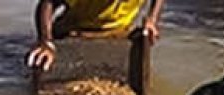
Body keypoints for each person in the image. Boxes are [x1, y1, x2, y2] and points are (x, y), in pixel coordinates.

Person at [27, 0, 165, 74]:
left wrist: (152, 20)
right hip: (76, 32)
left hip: (116, 34)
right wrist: (46, 42)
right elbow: (47, 3)